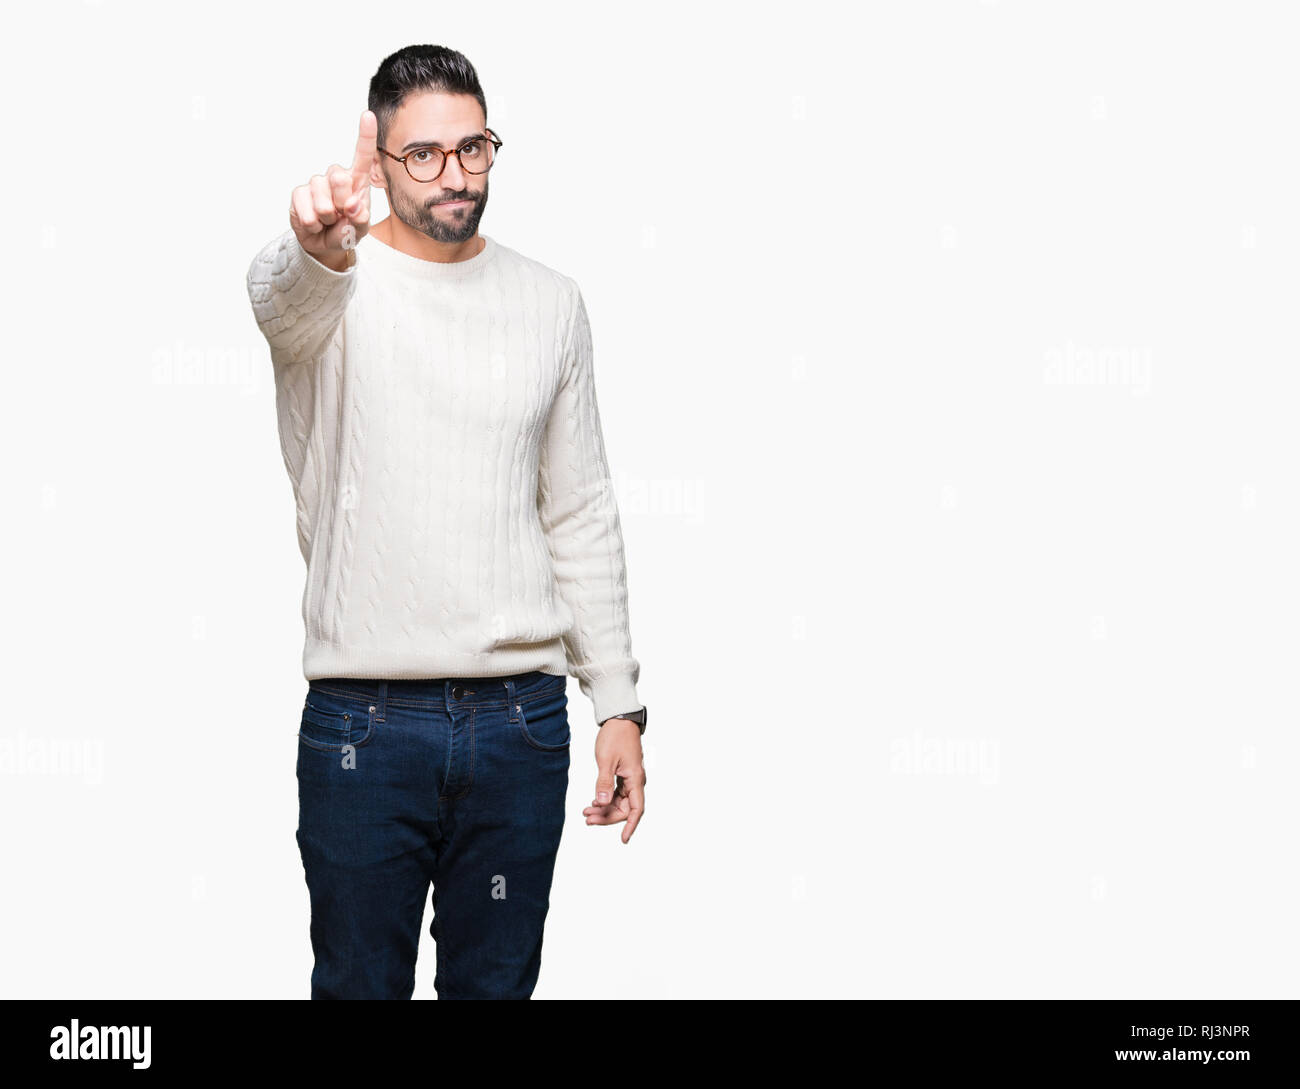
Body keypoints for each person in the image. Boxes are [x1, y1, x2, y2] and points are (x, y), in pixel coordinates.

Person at [244, 44, 648, 1000]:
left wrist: (619, 699)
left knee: (497, 988)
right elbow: (277, 301)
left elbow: (580, 508)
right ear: (380, 160)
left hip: (521, 726)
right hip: (364, 730)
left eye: (473, 148)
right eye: (422, 154)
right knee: (356, 987)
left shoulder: (550, 303)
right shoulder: (332, 288)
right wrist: (313, 244)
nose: (455, 174)